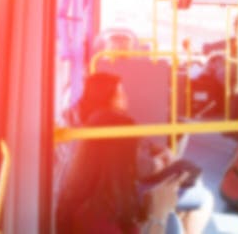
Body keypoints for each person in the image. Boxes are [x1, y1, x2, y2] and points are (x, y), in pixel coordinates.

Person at [60, 72, 213, 233]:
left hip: (130, 192)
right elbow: (143, 167)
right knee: (202, 200)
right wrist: (158, 215)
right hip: (140, 188)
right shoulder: (99, 218)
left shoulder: (101, 124)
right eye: (121, 94)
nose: (126, 97)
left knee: (176, 216)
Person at [56, 108, 182, 234]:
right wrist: (159, 215)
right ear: (120, 162)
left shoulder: (106, 204)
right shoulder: (95, 221)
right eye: (137, 149)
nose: (141, 156)